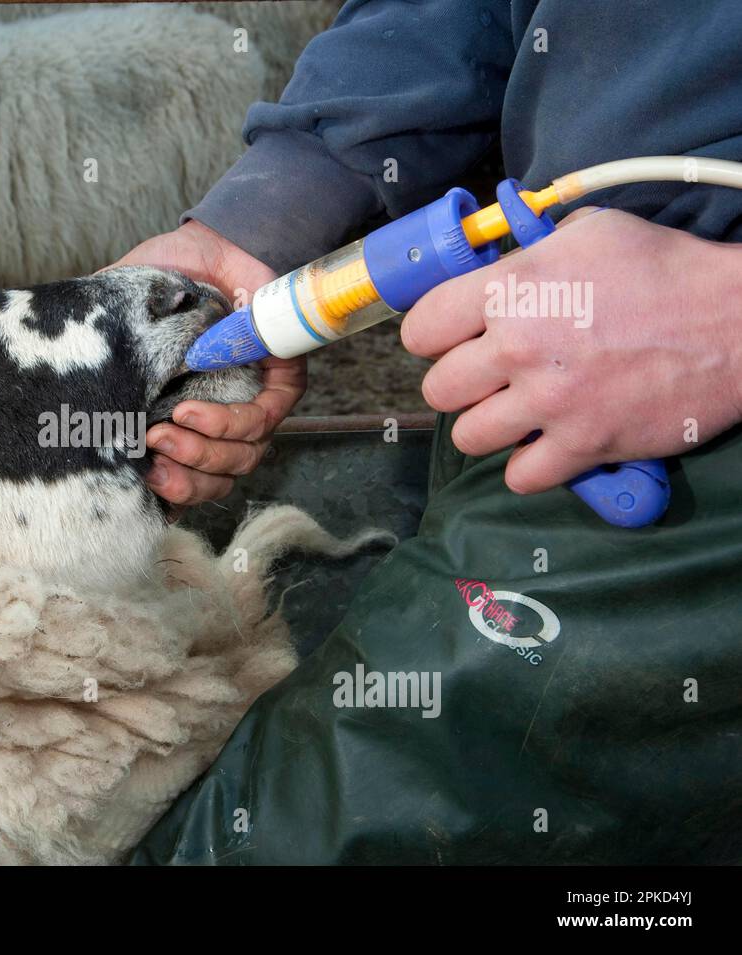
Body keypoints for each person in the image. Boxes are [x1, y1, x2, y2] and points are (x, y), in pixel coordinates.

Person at [117, 0, 742, 864]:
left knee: (266, 840)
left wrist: (731, 312)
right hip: (554, 347)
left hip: (694, 400)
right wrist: (274, 206)